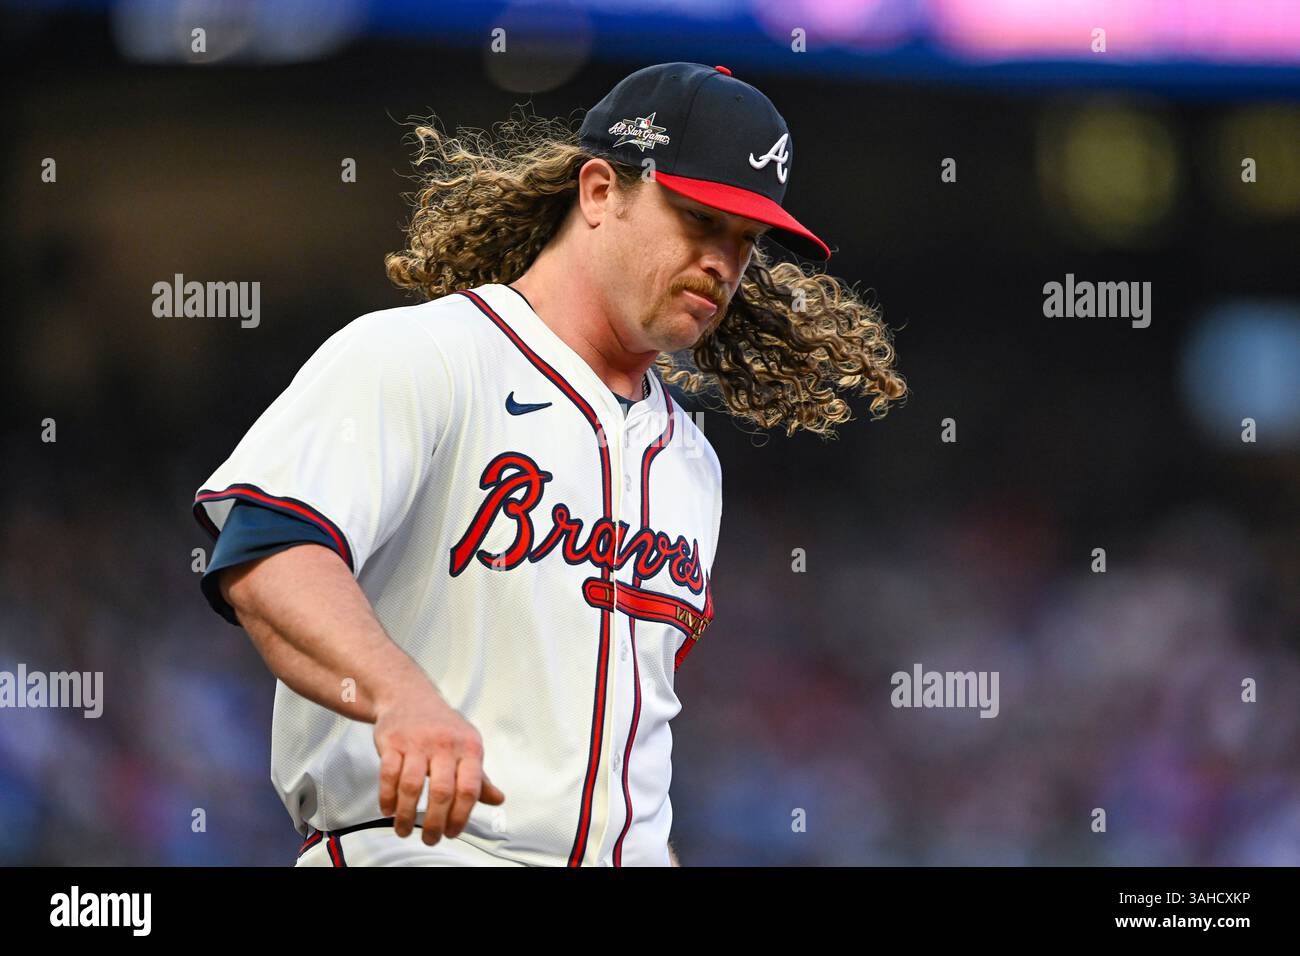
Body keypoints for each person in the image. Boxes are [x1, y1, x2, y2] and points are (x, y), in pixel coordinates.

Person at [191, 62, 905, 867]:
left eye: (745, 239)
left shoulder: (691, 464)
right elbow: (268, 553)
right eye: (700, 219)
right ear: (600, 191)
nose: (723, 262)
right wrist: (395, 692)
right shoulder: (428, 356)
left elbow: (626, 758)